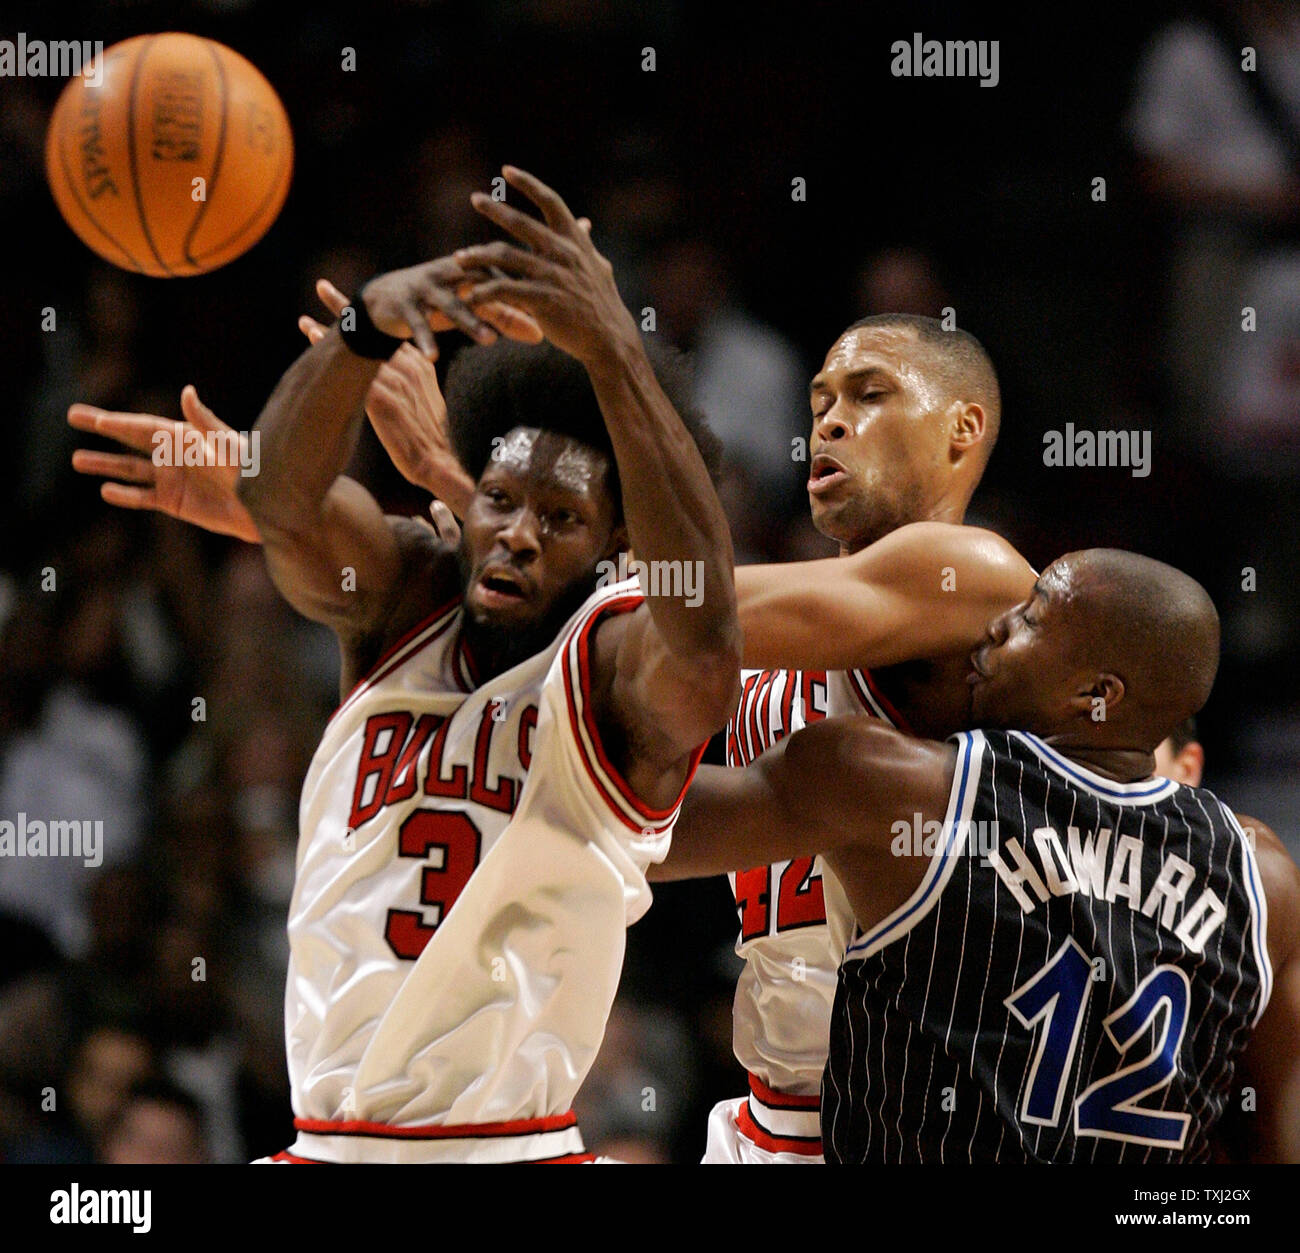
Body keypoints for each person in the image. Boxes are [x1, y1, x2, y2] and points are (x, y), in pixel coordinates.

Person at [69, 312, 1039, 1162]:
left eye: (869, 394)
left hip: (927, 1112)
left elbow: (678, 613)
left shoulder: (972, 580)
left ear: (964, 429)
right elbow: (642, 823)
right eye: (821, 397)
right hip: (775, 1116)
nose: (828, 420)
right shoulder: (767, 645)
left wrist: (475, 491)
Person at [85, 167, 741, 1164]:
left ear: (613, 549)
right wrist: (365, 329)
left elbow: (705, 625)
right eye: (500, 500)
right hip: (321, 1142)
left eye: (559, 518)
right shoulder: (403, 597)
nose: (518, 534)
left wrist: (615, 355)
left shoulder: (620, 669)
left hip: (506, 1146)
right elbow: (282, 503)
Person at [660, 549, 1300, 1163]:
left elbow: (642, 827)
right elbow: (1270, 1139)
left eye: (1029, 619)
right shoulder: (1261, 875)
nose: (991, 628)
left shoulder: (907, 789)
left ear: (1094, 692)